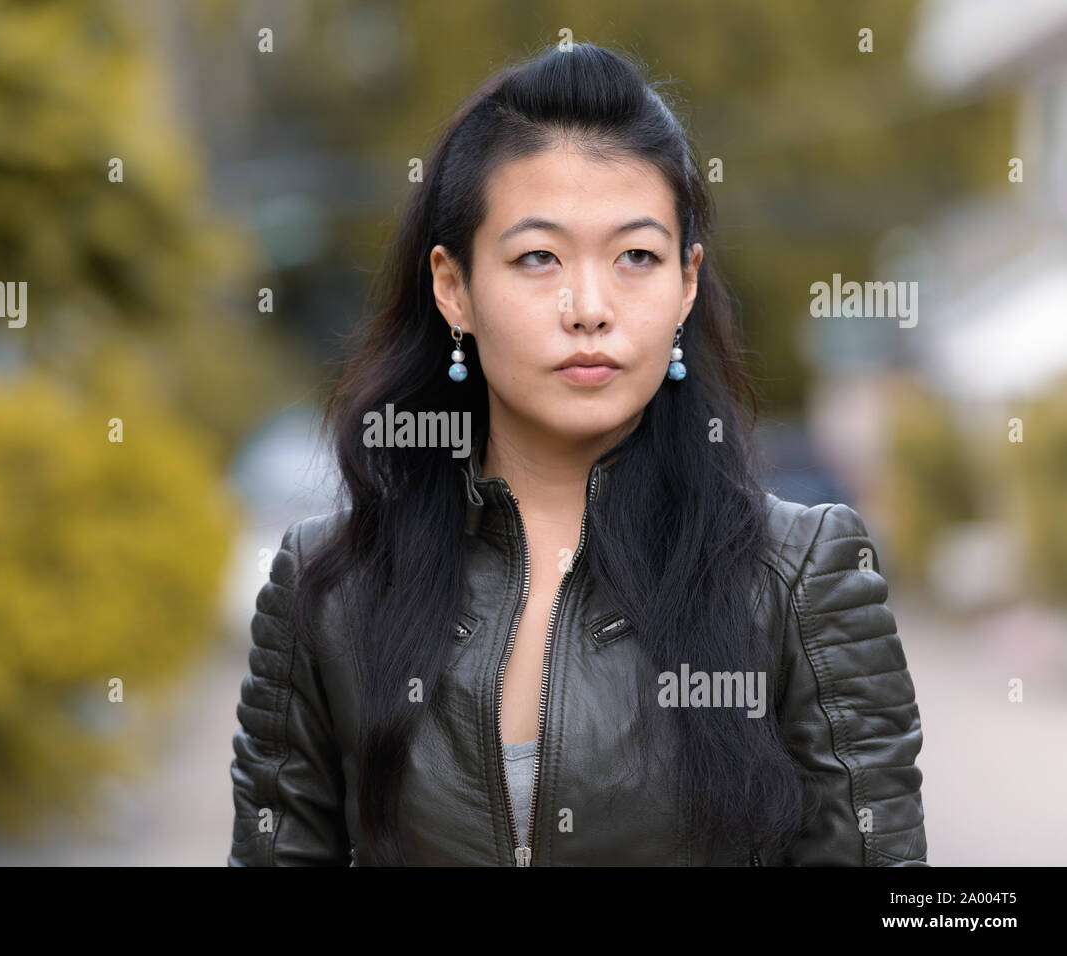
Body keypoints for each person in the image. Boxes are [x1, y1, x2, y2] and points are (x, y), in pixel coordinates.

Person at [227, 41, 926, 866]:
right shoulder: (330, 591)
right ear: (454, 287)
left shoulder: (799, 580)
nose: (589, 307)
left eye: (637, 256)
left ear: (687, 282)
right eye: (538, 258)